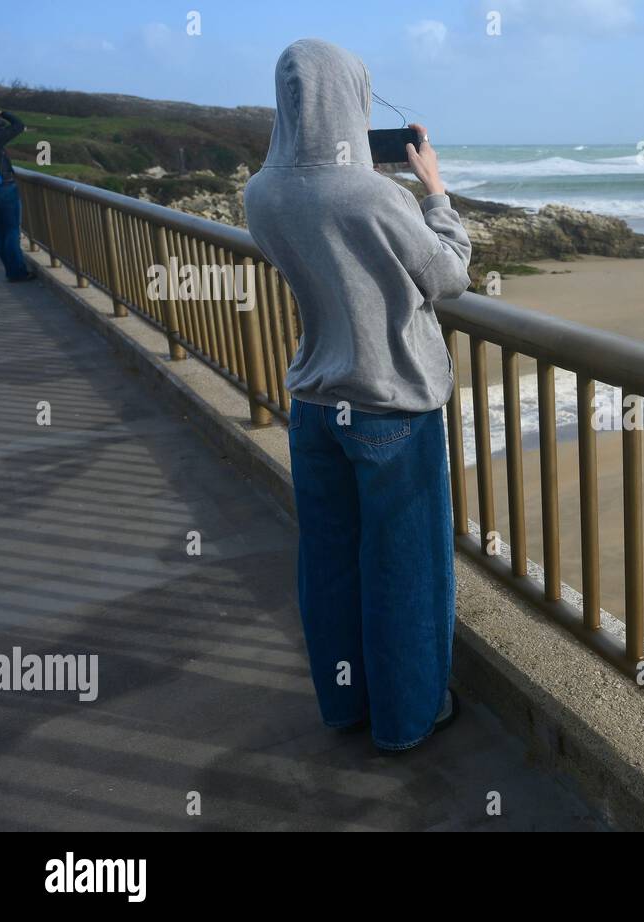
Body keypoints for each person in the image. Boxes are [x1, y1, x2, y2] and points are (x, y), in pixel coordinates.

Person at [244, 39, 472, 752]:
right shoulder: (376, 195)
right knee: (404, 570)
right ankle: (407, 720)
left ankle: (344, 705)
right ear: (352, 100)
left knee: (331, 563)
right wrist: (433, 190)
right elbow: (449, 277)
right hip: (390, 406)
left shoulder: (261, 191)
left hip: (315, 402)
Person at [0, 109, 35, 283]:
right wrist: (2, 113)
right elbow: (18, 125)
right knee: (11, 229)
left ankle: (11, 271)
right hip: (3, 186)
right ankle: (17, 272)